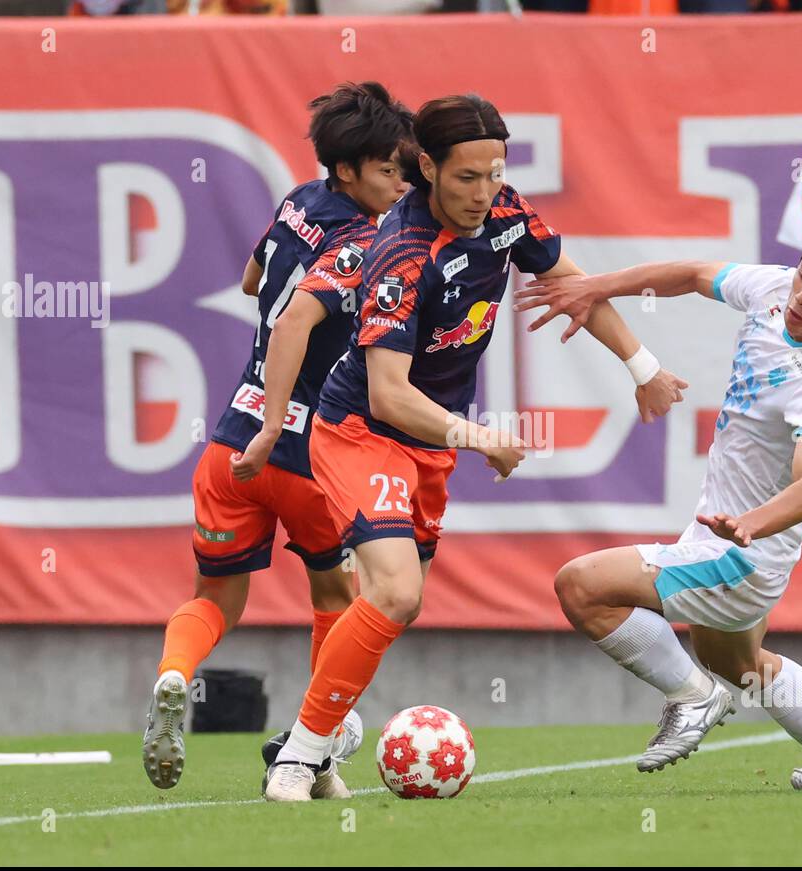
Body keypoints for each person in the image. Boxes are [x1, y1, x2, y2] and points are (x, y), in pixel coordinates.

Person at [262, 92, 688, 801]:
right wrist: (478, 435)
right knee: (396, 591)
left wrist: (643, 368)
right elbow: (388, 393)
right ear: (426, 167)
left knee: (392, 599)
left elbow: (568, 282)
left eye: (495, 174)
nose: (484, 193)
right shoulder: (400, 253)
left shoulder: (504, 211)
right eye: (466, 178)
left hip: (430, 446)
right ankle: (301, 755)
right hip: (361, 431)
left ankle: (324, 741)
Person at [517, 211, 802, 790]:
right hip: (726, 541)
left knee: (582, 586)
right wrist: (597, 285)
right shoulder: (780, 289)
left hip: (742, 555)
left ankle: (692, 698)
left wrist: (749, 525)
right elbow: (694, 274)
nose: (801, 294)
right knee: (741, 665)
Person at [142, 81, 414, 796]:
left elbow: (250, 279)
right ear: (350, 171)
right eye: (389, 169)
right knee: (340, 594)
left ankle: (175, 673)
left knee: (216, 597)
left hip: (231, 439)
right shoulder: (370, 241)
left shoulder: (298, 199)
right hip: (306, 451)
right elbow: (300, 315)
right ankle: (311, 751)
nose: (401, 182)